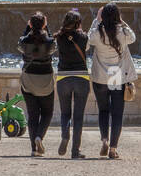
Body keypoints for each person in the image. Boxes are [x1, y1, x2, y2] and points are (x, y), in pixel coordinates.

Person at [90, 2, 136, 160]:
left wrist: (96, 20)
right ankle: (113, 148)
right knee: (117, 114)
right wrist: (122, 21)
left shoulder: (97, 32)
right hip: (115, 75)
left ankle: (104, 139)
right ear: (117, 16)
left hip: (99, 76)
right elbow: (133, 37)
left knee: (103, 110)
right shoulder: (122, 32)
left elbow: (88, 39)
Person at [18, 12, 57, 156]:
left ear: (30, 24)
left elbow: (21, 44)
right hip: (45, 78)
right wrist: (47, 28)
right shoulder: (49, 42)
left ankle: (34, 149)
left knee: (33, 115)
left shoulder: (24, 41)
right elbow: (53, 43)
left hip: (28, 78)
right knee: (47, 113)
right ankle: (39, 137)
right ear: (44, 25)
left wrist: (28, 29)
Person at [54, 10, 89, 158]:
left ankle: (65, 136)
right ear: (78, 23)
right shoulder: (83, 37)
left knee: (65, 113)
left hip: (63, 78)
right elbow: (85, 48)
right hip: (81, 78)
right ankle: (75, 151)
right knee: (78, 116)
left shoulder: (59, 37)